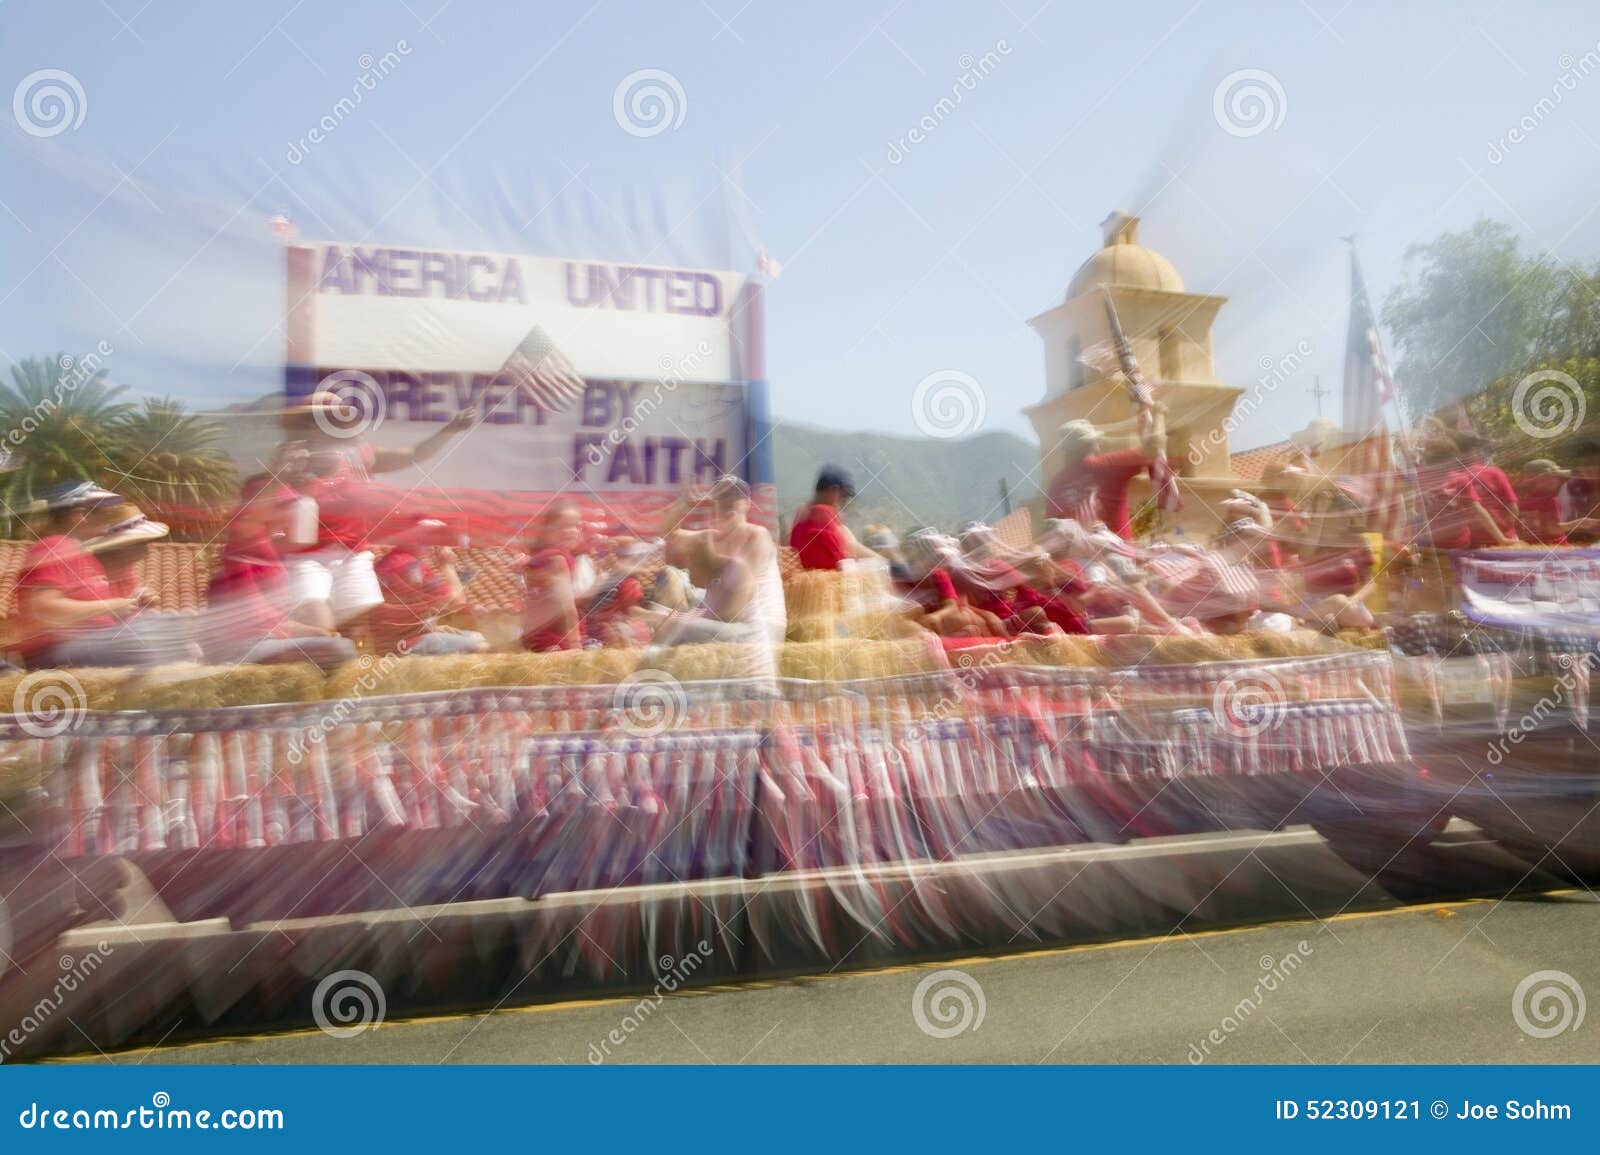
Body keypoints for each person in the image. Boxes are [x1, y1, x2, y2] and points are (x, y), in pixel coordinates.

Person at [275, 389, 477, 631]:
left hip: (354, 556)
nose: (327, 424)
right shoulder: (290, 459)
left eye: (334, 418)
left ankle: (348, 662)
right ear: (307, 424)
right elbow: (267, 505)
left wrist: (450, 429)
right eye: (318, 419)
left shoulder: (359, 456)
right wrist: (286, 472)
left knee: (359, 629)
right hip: (306, 558)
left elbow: (413, 454)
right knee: (318, 622)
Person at [14, 482, 196, 668]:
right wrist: (111, 607)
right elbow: (44, 608)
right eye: (103, 514)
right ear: (80, 515)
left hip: (89, 643)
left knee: (162, 624)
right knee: (150, 634)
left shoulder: (82, 555)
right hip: (58, 651)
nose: (109, 521)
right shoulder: (55, 546)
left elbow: (108, 612)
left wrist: (131, 603)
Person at [202, 476, 358, 670]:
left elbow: (271, 618)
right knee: (341, 650)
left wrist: (313, 631)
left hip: (257, 642)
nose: (291, 513)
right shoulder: (245, 545)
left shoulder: (263, 546)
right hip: (243, 648)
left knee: (338, 646)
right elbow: (256, 618)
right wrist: (309, 631)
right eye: (283, 506)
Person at [656, 475, 787, 646]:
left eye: (733, 496)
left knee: (666, 621)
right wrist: (684, 504)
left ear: (747, 504)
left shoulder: (758, 536)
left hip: (760, 630)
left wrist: (687, 618)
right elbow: (667, 534)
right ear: (714, 504)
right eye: (722, 496)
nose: (727, 502)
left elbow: (734, 609)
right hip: (730, 624)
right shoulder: (711, 538)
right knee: (662, 608)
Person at [1044, 403, 1166, 540]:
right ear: (1093, 444)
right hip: (1119, 555)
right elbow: (1153, 449)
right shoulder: (1109, 465)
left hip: (1077, 559)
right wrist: (1158, 414)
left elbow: (1053, 529)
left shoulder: (1056, 483)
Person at [367, 520, 489, 656]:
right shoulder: (413, 567)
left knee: (475, 636)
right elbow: (458, 602)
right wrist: (447, 565)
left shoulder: (387, 563)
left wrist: (431, 628)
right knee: (481, 644)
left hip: (388, 645)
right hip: (407, 646)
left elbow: (399, 617)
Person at [520, 500, 586, 652]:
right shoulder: (557, 559)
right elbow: (566, 604)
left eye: (576, 526)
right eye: (563, 526)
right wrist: (575, 642)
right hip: (554, 636)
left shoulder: (539, 557)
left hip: (536, 635)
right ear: (547, 531)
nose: (571, 531)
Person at [788, 466, 880, 570]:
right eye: (844, 496)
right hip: (833, 577)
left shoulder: (802, 512)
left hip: (808, 577)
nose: (842, 502)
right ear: (834, 490)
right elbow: (850, 547)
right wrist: (883, 562)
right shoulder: (823, 512)